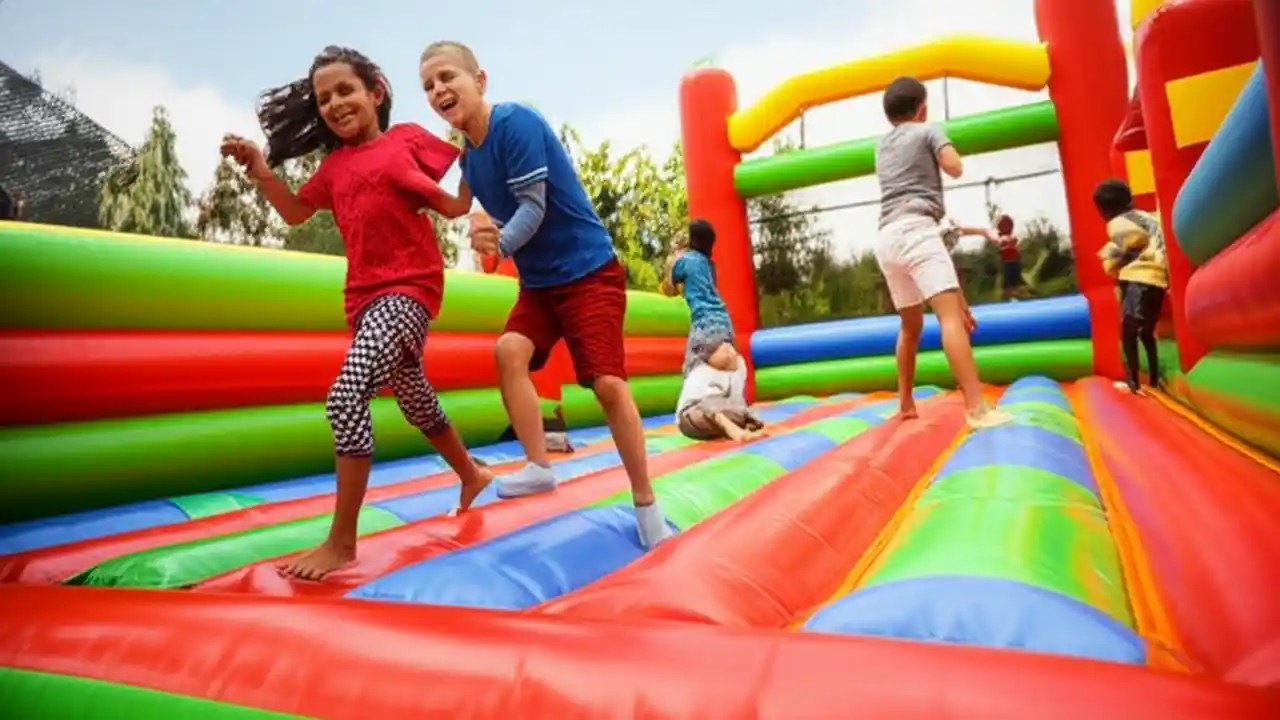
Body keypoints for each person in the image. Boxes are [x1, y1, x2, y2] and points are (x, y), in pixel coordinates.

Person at [220, 46, 492, 580]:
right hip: (364, 299)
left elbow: (456, 199)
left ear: (376, 93)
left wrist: (478, 174)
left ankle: (342, 541)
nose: (335, 104)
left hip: (409, 290)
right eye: (324, 98)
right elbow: (297, 212)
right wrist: (260, 170)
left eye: (345, 90)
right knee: (414, 395)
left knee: (346, 397)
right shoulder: (335, 167)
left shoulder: (406, 140)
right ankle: (471, 473)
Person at [418, 40, 674, 548]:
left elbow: (532, 209)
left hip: (587, 270)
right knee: (508, 352)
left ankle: (647, 506)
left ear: (480, 80)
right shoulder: (469, 158)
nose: (438, 90)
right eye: (428, 86)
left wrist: (497, 246)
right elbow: (453, 205)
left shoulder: (516, 124)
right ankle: (538, 465)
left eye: (447, 77)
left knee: (606, 384)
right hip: (540, 284)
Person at [873, 76, 1013, 429]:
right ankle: (977, 408)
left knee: (910, 326)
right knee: (949, 319)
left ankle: (905, 403)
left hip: (886, 237)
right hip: (917, 228)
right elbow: (955, 167)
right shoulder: (928, 131)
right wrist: (942, 142)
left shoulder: (881, 147)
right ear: (922, 109)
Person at [1093, 178, 1169, 395]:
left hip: (1139, 277)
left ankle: (1132, 382)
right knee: (1146, 332)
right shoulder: (1148, 216)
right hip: (1158, 279)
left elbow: (1124, 247)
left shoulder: (1118, 223)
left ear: (1104, 210)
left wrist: (1109, 259)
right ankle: (1154, 379)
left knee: (1128, 330)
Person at [660, 218, 738, 375]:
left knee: (691, 373)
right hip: (724, 322)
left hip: (704, 322)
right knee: (721, 374)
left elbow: (669, 287)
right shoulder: (710, 266)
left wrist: (675, 256)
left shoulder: (686, 260)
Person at [675, 342, 765, 442]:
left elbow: (737, 402)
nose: (733, 354)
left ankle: (731, 426)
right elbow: (701, 405)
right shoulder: (701, 372)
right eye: (726, 352)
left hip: (719, 417)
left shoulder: (737, 370)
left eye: (732, 351)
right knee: (706, 410)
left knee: (742, 413)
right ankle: (736, 432)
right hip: (692, 419)